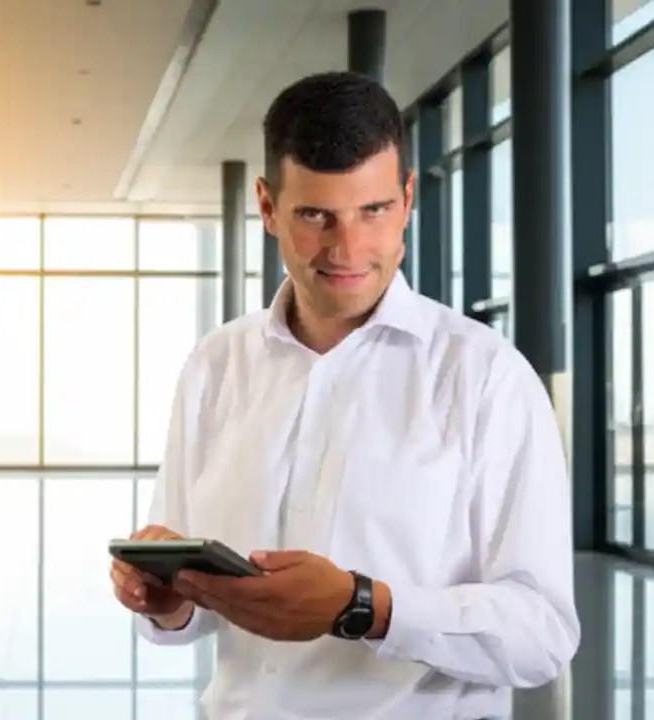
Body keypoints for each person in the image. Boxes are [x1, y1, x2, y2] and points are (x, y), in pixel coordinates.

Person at [109, 71, 579, 719]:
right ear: (268, 207)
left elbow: (543, 635)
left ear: (409, 198)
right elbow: (183, 616)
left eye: (374, 211)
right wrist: (169, 601)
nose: (348, 248)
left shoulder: (486, 378)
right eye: (315, 215)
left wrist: (362, 606)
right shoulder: (216, 366)